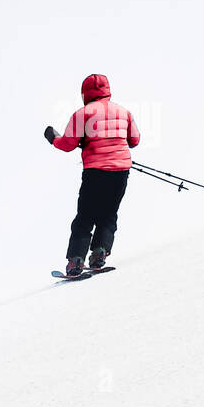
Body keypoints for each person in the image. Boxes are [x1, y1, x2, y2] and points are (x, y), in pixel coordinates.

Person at [44, 73, 140, 276]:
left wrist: (53, 137)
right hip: (121, 170)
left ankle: (75, 261)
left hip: (96, 172)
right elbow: (134, 140)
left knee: (85, 217)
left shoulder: (83, 114)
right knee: (108, 214)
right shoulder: (124, 112)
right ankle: (99, 254)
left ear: (85, 93)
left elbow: (67, 145)